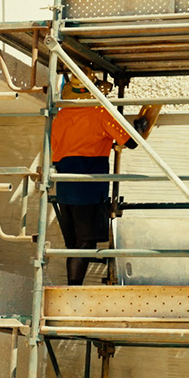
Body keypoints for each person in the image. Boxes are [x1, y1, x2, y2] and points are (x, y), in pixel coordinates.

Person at [50, 71, 160, 285]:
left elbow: (76, 144)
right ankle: (74, 288)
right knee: (85, 243)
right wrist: (139, 126)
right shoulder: (100, 112)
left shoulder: (61, 116)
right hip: (89, 183)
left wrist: (107, 143)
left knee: (74, 244)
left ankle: (73, 287)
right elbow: (131, 141)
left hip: (64, 183)